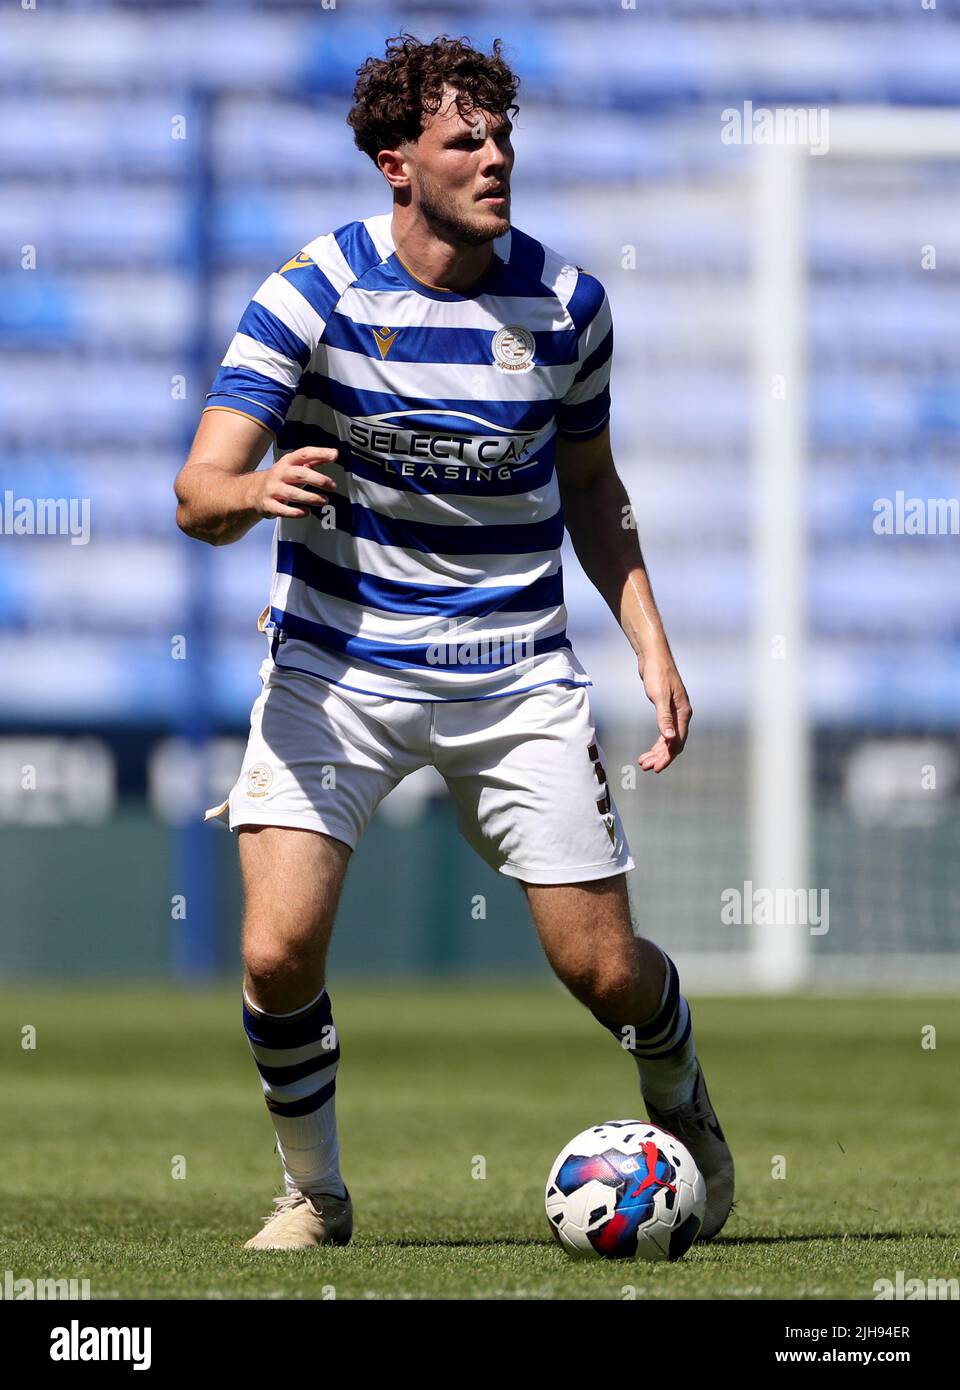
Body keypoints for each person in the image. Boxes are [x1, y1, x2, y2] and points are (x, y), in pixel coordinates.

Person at [174, 33, 734, 1251]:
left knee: (603, 972)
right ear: (396, 165)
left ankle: (680, 1097)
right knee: (275, 951)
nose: (494, 159)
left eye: (502, 137)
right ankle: (315, 1196)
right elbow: (195, 491)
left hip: (518, 677)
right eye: (462, 141)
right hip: (335, 664)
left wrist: (650, 640)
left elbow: (592, 485)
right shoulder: (310, 293)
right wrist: (256, 490)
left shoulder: (570, 306)